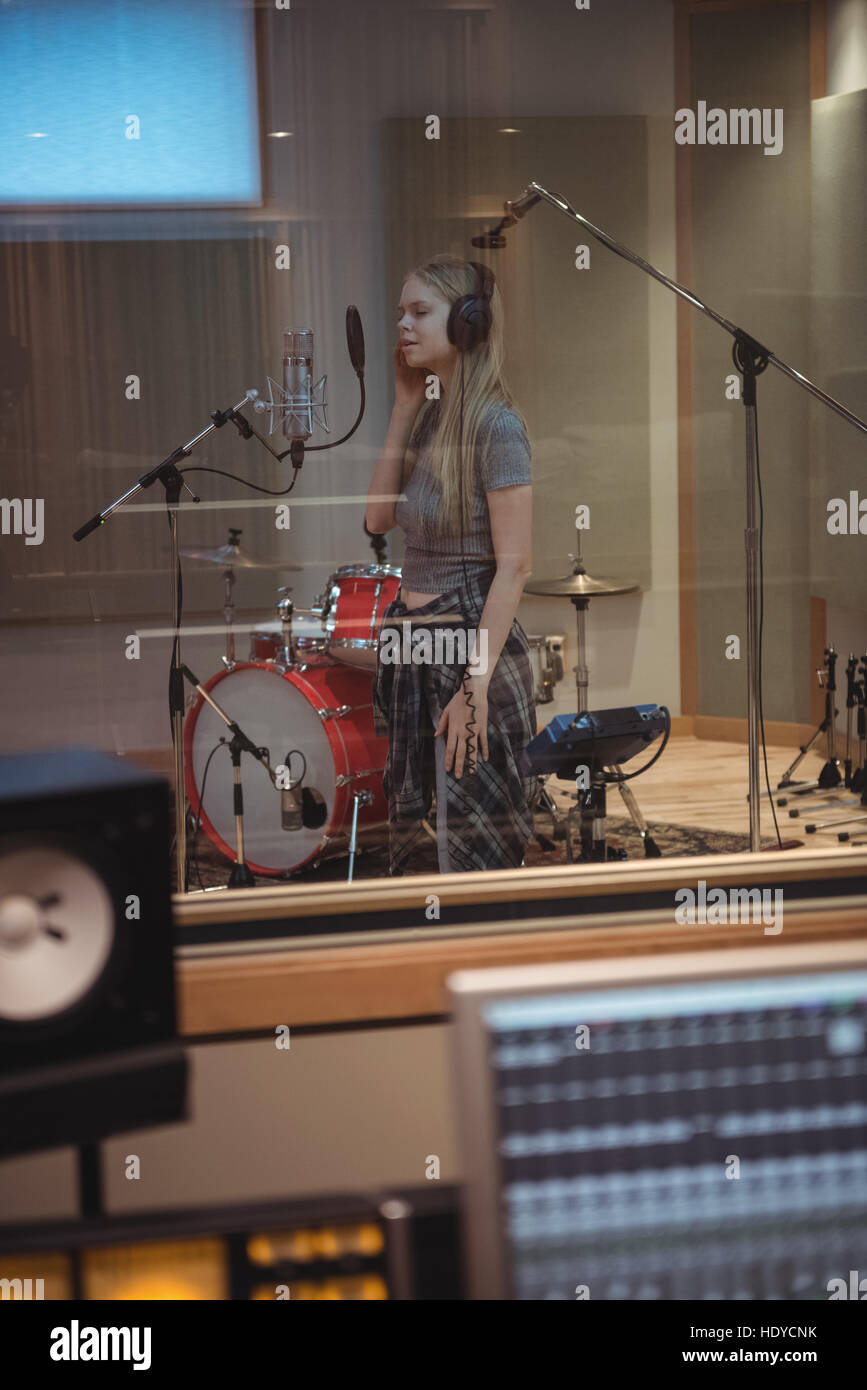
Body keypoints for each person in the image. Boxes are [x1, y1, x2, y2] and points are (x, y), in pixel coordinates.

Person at [366, 254, 537, 875]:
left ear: (467, 324)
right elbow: (377, 520)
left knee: (473, 853)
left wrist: (475, 686)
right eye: (401, 314)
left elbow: (514, 566)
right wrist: (403, 410)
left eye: (419, 313)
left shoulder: (498, 426)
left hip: (470, 648)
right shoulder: (431, 416)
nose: (403, 327)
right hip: (417, 648)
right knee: (422, 850)